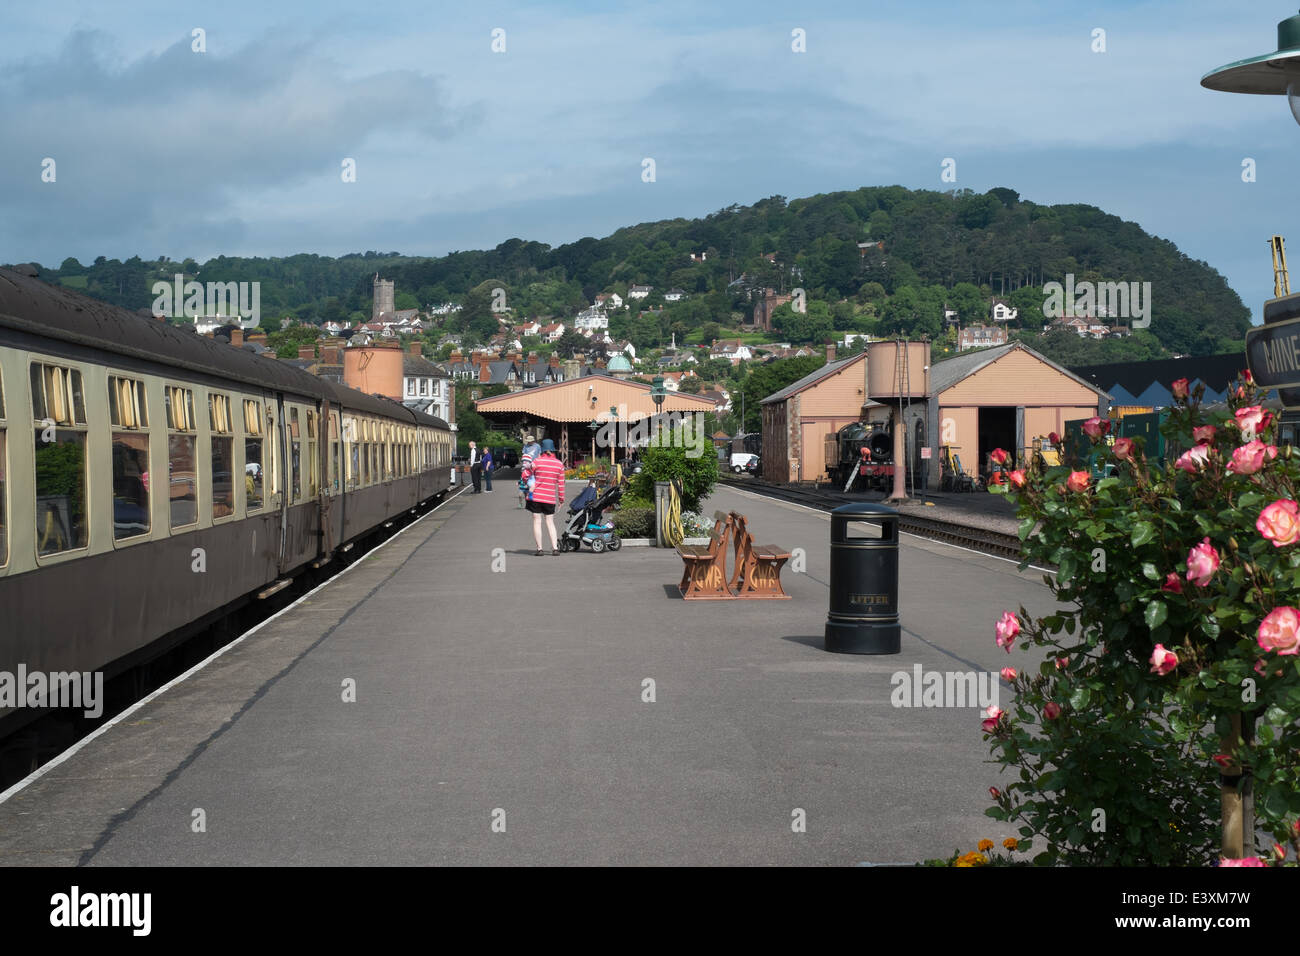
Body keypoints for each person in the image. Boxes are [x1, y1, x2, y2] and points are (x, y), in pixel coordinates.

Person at [523, 438, 565, 555]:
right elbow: (561, 484)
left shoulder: (537, 461)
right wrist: (561, 499)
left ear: (542, 450)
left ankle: (540, 549)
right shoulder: (559, 465)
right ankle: (555, 548)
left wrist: (529, 482)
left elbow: (525, 473)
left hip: (535, 496)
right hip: (550, 498)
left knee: (537, 521)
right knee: (550, 522)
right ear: (553, 450)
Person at [518, 433, 541, 508]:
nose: (529, 442)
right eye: (528, 441)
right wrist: (523, 464)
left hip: (534, 464)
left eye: (530, 441)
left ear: (533, 441)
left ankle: (535, 496)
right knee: (526, 479)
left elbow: (539, 455)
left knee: (535, 480)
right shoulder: (526, 446)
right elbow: (523, 455)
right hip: (527, 465)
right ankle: (527, 495)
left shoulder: (537, 446)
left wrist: (539, 463)